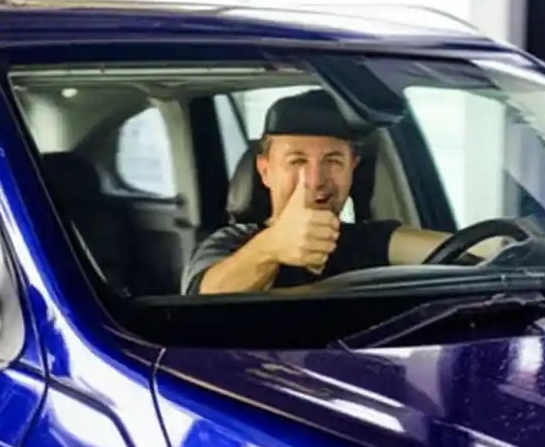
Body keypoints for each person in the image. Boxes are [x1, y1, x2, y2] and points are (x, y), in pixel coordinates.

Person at [182, 89, 506, 295]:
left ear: (353, 167)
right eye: (297, 161)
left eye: (333, 161)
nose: (315, 180)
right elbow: (203, 300)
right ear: (265, 171)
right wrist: (272, 247)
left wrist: (512, 245)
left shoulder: (367, 241)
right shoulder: (232, 244)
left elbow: (468, 249)